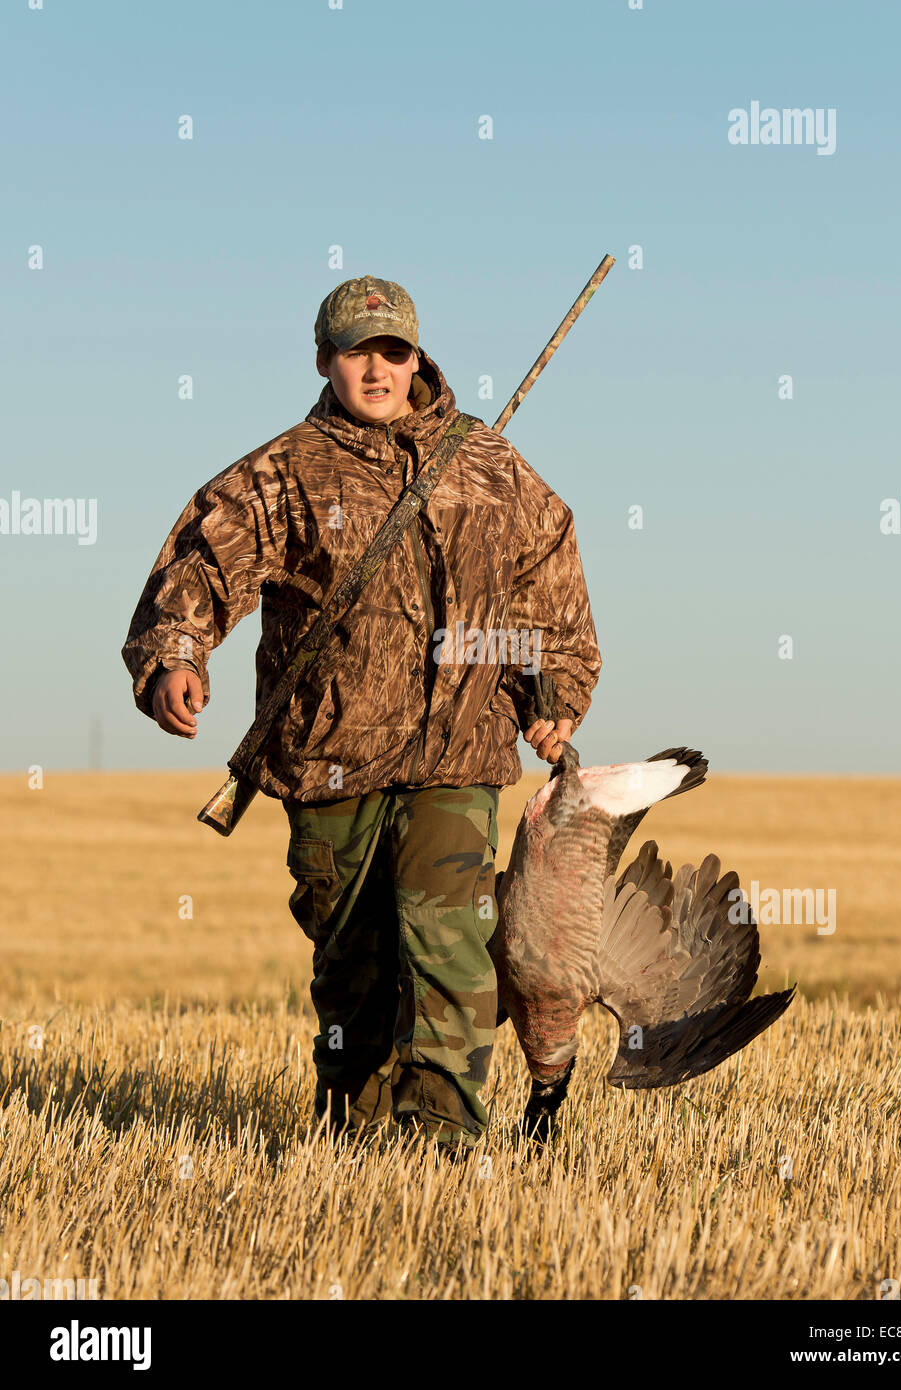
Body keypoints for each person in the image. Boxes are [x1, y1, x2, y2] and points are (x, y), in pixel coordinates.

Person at [122, 275, 601, 1153]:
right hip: (327, 755)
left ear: (416, 357)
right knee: (353, 966)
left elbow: (548, 580)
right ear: (323, 360)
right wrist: (174, 658)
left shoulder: (487, 464)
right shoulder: (283, 471)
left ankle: (440, 1145)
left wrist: (552, 693)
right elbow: (199, 564)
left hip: (457, 752)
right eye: (356, 351)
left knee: (448, 945)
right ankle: (350, 1140)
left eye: (393, 350)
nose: (376, 369)